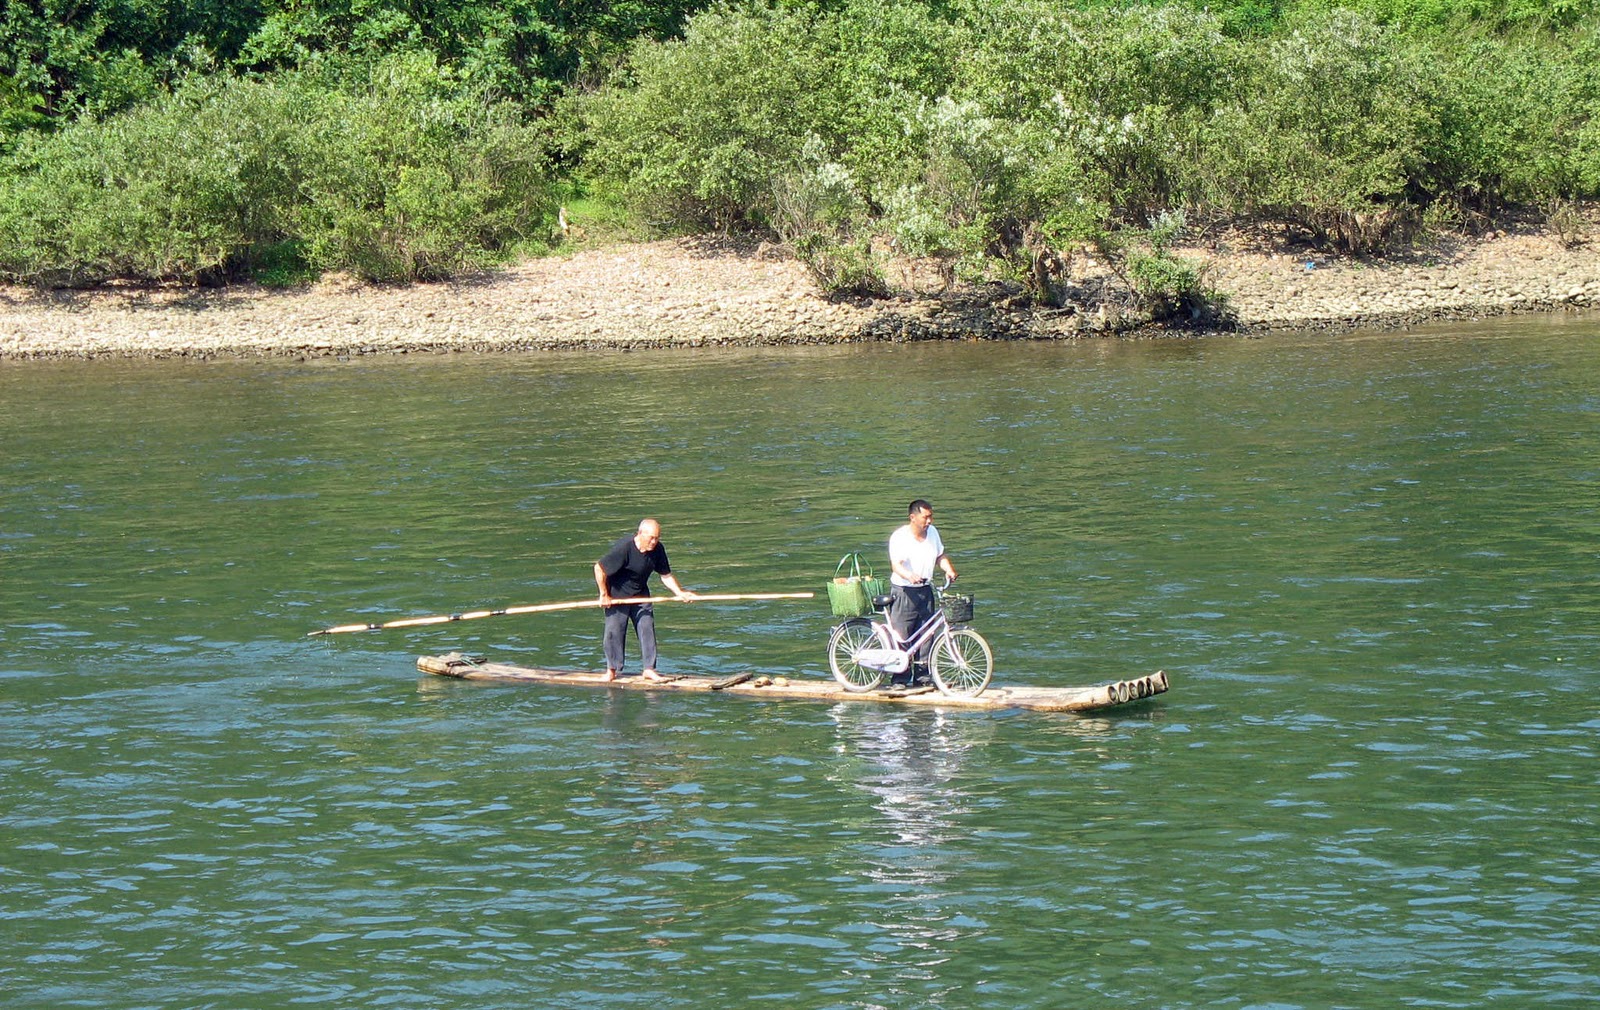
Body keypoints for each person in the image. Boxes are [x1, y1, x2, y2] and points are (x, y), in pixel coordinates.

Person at [593, 518, 697, 682]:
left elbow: (666, 575)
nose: (654, 542)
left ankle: (649, 669)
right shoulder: (625, 548)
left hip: (640, 592)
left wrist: (680, 593)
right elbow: (599, 568)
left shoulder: (657, 550)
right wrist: (604, 594)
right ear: (640, 534)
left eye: (657, 538)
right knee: (614, 631)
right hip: (617, 594)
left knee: (646, 626)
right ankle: (611, 670)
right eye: (651, 538)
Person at [887, 499, 958, 684]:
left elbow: (939, 555)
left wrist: (948, 569)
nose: (929, 521)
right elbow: (896, 565)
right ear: (913, 517)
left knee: (927, 633)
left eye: (930, 517)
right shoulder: (900, 537)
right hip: (904, 591)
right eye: (925, 517)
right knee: (903, 635)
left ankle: (923, 676)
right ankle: (899, 679)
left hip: (925, 590)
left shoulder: (933, 533)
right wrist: (909, 575)